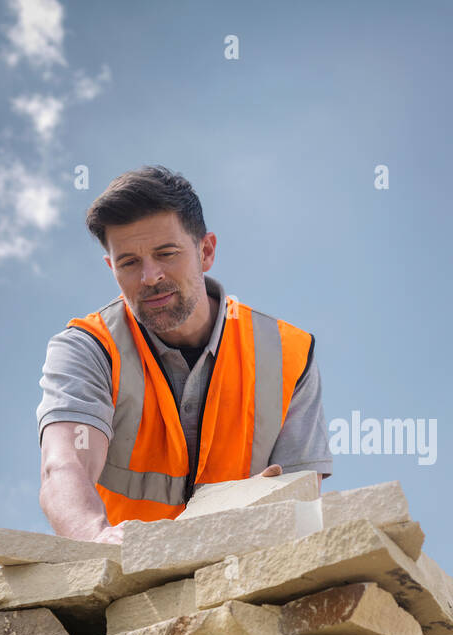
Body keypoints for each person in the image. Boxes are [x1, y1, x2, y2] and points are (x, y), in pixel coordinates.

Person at [36, 166, 332, 543]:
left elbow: (298, 508)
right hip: (120, 581)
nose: (150, 276)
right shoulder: (89, 348)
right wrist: (96, 539)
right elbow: (64, 468)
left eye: (166, 253)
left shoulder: (288, 355)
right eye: (129, 262)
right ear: (112, 268)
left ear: (205, 251)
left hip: (240, 581)